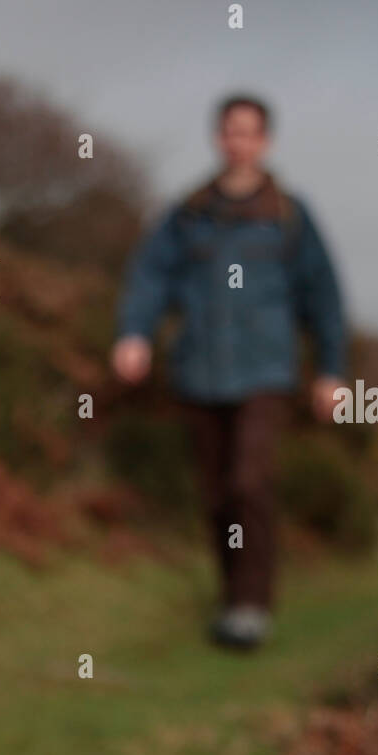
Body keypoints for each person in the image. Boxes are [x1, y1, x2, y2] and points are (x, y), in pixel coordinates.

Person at [111, 94, 347, 650]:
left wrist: (332, 370)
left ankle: (250, 605)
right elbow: (150, 277)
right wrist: (134, 333)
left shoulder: (290, 215)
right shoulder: (188, 213)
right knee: (218, 495)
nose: (238, 141)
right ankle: (231, 596)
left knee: (250, 483)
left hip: (265, 372)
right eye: (229, 131)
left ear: (264, 142)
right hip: (198, 370)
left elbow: (324, 294)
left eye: (249, 132)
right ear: (218, 138)